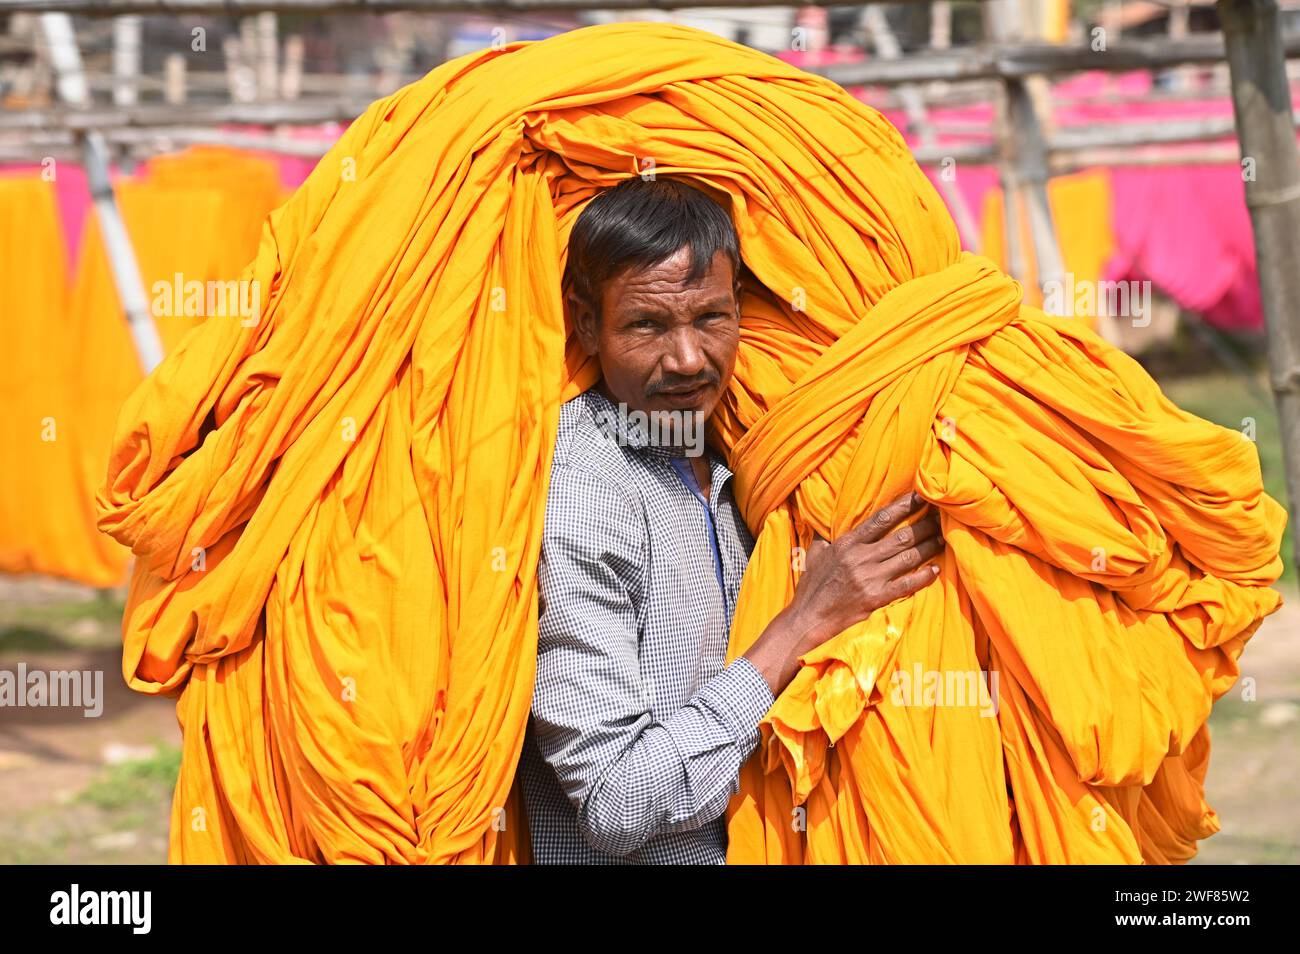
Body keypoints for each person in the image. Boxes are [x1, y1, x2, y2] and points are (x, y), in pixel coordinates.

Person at [518, 176, 945, 864]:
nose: (688, 359)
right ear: (587, 323)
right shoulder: (586, 497)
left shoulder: (748, 447)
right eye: (646, 325)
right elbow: (616, 800)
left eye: (711, 319)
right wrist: (802, 626)